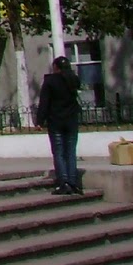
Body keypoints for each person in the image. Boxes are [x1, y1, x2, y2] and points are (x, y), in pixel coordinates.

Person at [35, 55, 83, 195]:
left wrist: (39, 121)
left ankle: (64, 182)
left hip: (56, 121)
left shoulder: (50, 81)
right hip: (71, 121)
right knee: (71, 152)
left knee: (59, 152)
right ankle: (73, 182)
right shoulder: (74, 80)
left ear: (55, 67)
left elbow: (44, 102)